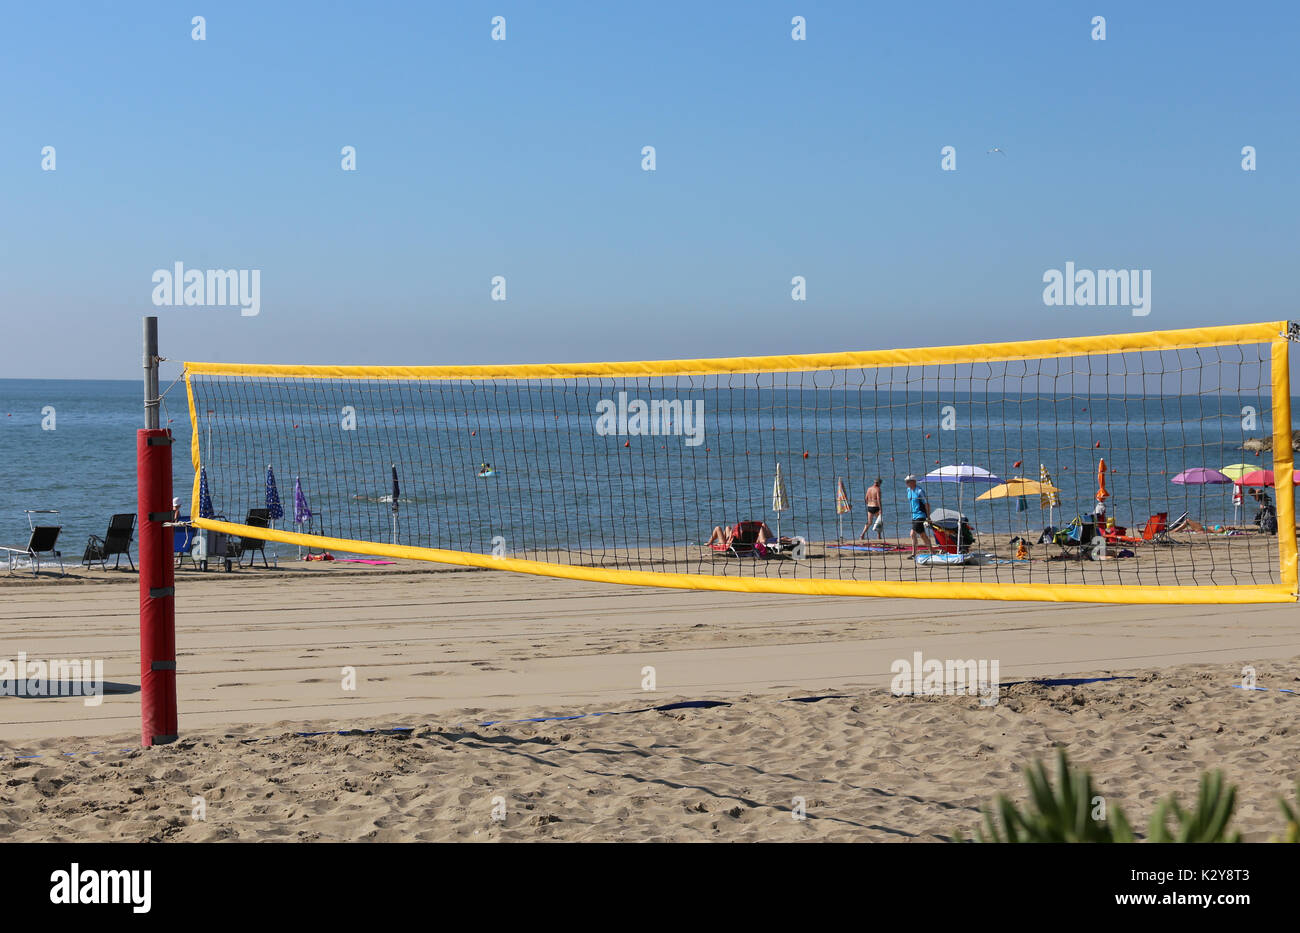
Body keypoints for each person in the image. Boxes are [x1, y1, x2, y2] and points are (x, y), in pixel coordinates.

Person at [904, 475, 934, 556]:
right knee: (922, 535)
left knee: (913, 534)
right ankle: (931, 552)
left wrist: (928, 516)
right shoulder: (908, 490)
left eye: (908, 481)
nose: (906, 483)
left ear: (913, 481)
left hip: (920, 515)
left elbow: (927, 504)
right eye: (906, 481)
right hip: (914, 516)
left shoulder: (919, 491)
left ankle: (915, 554)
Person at [707, 521, 774, 549]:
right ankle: (717, 542)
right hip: (734, 541)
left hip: (726, 544)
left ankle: (709, 543)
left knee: (717, 528)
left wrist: (731, 535)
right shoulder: (751, 536)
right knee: (727, 527)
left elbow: (730, 542)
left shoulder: (739, 537)